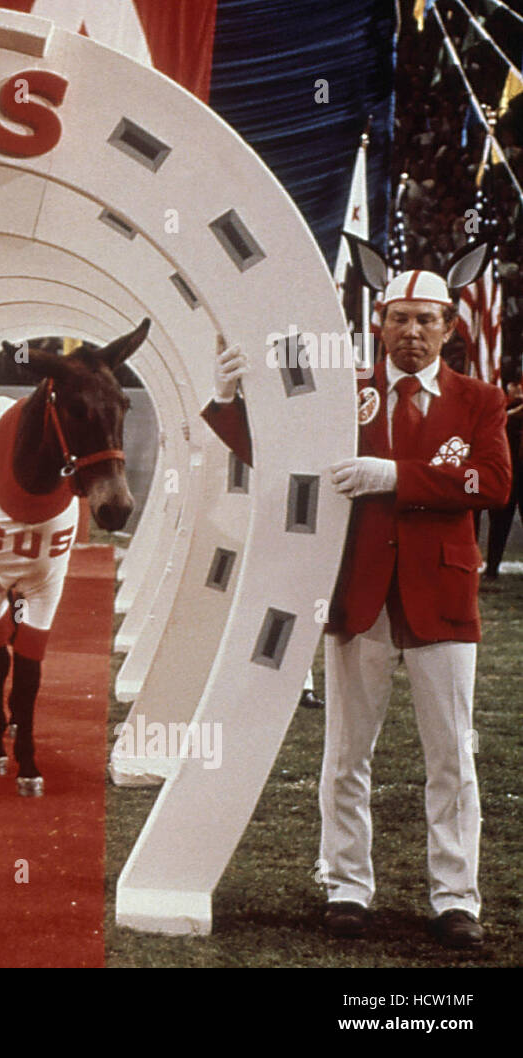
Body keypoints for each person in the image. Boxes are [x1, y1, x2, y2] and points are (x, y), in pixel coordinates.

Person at [204, 267, 510, 950]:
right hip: (360, 595)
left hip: (443, 602)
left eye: (426, 320)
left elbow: (491, 481)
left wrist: (399, 478)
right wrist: (227, 403)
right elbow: (286, 459)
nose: (411, 332)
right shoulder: (352, 396)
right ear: (378, 322)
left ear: (449, 329)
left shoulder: (480, 400)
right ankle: (347, 887)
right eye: (399, 317)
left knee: (453, 757)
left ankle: (456, 898)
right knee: (346, 754)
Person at [482, 367, 523, 579]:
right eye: (516, 384)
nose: (518, 388)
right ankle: (492, 568)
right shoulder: (502, 407)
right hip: (508, 472)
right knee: (499, 522)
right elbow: (494, 424)